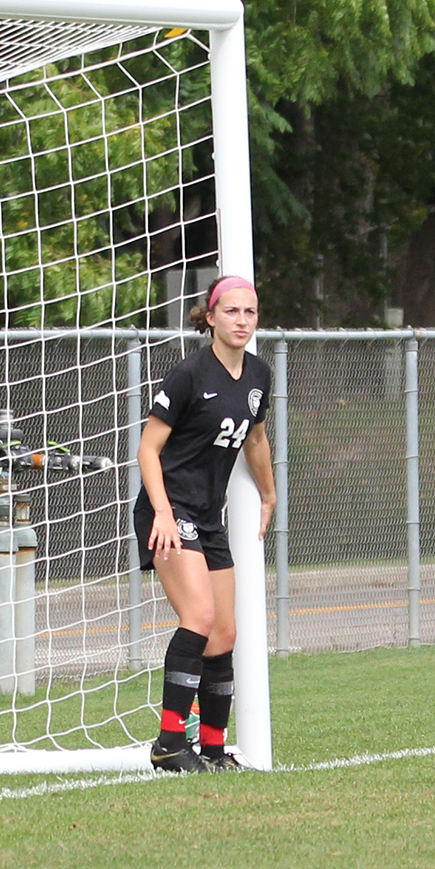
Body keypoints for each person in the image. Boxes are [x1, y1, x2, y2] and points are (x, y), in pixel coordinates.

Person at [135, 275, 276, 773]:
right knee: (198, 618)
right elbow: (147, 449)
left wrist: (269, 491)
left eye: (250, 312)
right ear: (211, 317)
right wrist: (166, 515)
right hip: (168, 511)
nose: (242, 320)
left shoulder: (259, 375)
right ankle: (169, 744)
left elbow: (254, 441)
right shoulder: (189, 374)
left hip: (207, 518)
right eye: (232, 311)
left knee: (225, 634)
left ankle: (213, 749)